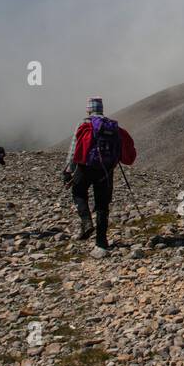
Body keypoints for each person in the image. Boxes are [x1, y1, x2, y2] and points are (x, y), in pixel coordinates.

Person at [64, 97, 120, 253]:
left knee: (79, 193)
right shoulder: (111, 125)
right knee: (102, 205)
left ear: (88, 109)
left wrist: (68, 170)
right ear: (101, 108)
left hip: (85, 167)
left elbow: (74, 148)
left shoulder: (84, 123)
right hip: (105, 169)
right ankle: (101, 242)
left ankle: (87, 222)